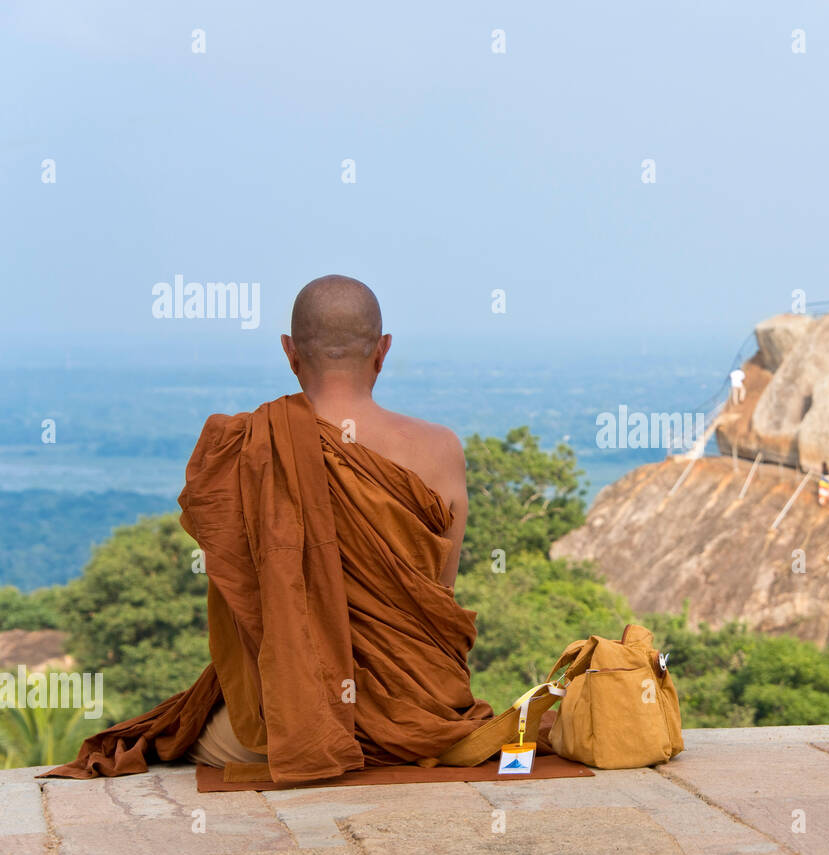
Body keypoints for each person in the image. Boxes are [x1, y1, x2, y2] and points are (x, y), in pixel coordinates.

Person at [40, 275, 535, 783]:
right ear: (382, 351)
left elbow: (251, 606)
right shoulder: (439, 448)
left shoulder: (249, 448)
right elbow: (439, 599)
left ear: (289, 352)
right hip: (423, 710)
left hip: (291, 725)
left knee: (186, 735)